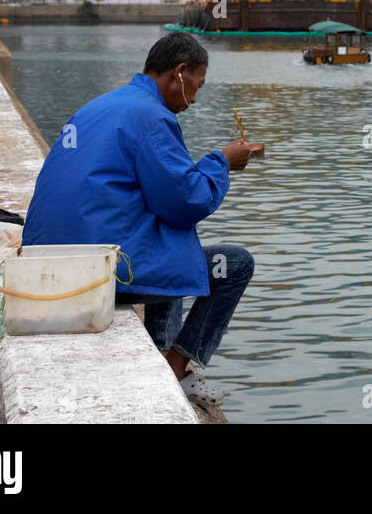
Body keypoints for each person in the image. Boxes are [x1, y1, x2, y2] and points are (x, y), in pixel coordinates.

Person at [22, 32, 254, 409]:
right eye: (196, 85)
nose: (193, 100)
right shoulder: (153, 116)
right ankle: (174, 369)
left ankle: (160, 351)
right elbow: (186, 203)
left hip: (46, 263)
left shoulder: (99, 106)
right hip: (96, 273)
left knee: (163, 239)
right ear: (179, 73)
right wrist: (221, 161)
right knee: (234, 263)